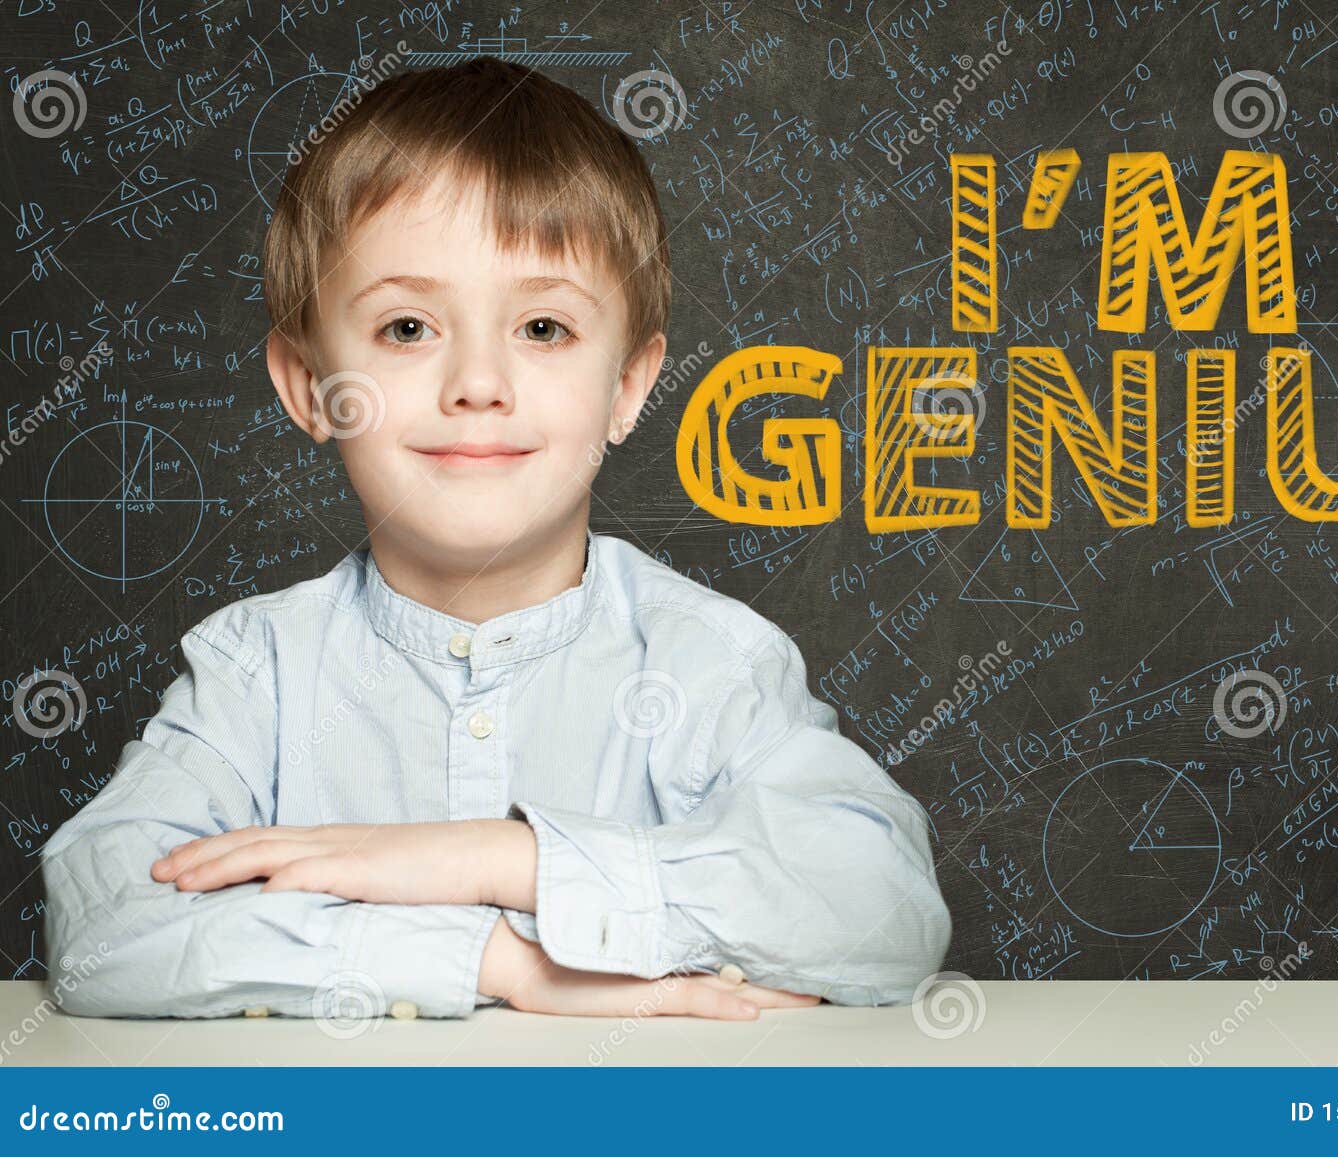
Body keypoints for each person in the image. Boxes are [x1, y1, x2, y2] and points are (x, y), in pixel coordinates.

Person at [40, 57, 952, 1022]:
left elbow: (885, 907)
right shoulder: (254, 674)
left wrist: (501, 858)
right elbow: (100, 931)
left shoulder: (709, 664)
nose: (478, 381)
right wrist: (498, 959)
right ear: (310, 387)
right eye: (405, 327)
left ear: (629, 388)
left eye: (546, 327)